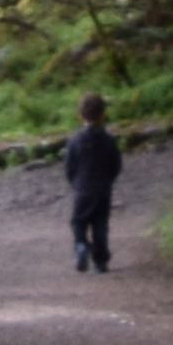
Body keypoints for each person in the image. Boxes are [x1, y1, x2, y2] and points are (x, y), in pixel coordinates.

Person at [61, 92, 123, 274]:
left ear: (80, 117)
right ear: (103, 116)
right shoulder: (109, 141)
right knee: (100, 224)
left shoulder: (75, 141)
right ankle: (100, 260)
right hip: (103, 189)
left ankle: (81, 245)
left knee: (78, 222)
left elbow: (69, 167)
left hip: (82, 189)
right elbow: (116, 164)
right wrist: (108, 180)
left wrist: (75, 182)